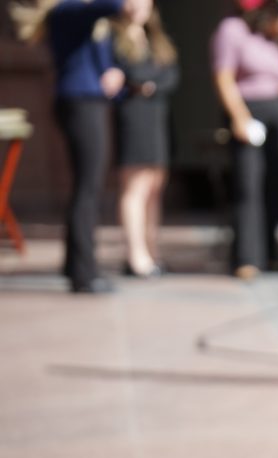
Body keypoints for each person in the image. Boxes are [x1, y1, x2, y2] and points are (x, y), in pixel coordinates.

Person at [11, 0, 140, 293]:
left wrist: (113, 73)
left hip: (89, 100)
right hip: (80, 103)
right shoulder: (66, 10)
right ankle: (85, 272)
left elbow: (101, 57)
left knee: (86, 186)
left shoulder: (84, 16)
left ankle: (76, 265)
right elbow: (109, 7)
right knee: (88, 188)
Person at [210, 0, 278, 280]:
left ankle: (270, 253)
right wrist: (239, 117)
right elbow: (224, 78)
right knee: (249, 186)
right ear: (270, 12)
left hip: (277, 117)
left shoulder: (274, 44)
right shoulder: (232, 30)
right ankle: (247, 258)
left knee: (274, 186)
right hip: (249, 114)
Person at [112, 1, 178, 278]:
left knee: (154, 188)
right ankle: (135, 254)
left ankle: (152, 250)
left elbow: (171, 77)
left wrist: (148, 85)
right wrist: (146, 84)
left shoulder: (157, 40)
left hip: (157, 119)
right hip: (133, 118)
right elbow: (128, 76)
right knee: (136, 187)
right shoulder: (114, 37)